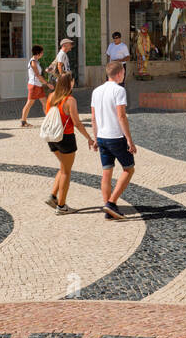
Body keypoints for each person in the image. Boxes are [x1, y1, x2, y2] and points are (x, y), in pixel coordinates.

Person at [42, 74, 95, 215]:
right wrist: (89, 138)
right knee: (66, 171)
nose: (74, 83)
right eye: (73, 81)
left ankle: (53, 197)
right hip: (66, 138)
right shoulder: (70, 100)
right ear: (70, 83)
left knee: (63, 166)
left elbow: (47, 113)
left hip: (52, 138)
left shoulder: (51, 96)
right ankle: (61, 206)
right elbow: (76, 123)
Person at [91, 60, 136, 220]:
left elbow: (93, 118)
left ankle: (108, 209)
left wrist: (95, 138)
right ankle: (111, 202)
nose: (124, 75)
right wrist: (129, 140)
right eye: (123, 72)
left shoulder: (96, 91)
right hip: (116, 137)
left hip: (102, 137)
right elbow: (121, 116)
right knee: (128, 169)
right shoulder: (119, 90)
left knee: (106, 173)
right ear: (118, 74)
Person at [21, 44, 50, 127]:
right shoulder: (33, 62)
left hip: (38, 85)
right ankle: (23, 122)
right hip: (34, 85)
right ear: (38, 53)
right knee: (29, 104)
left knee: (45, 103)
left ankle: (49, 121)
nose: (43, 54)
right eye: (42, 52)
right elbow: (37, 75)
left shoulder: (36, 62)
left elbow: (38, 73)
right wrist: (47, 84)